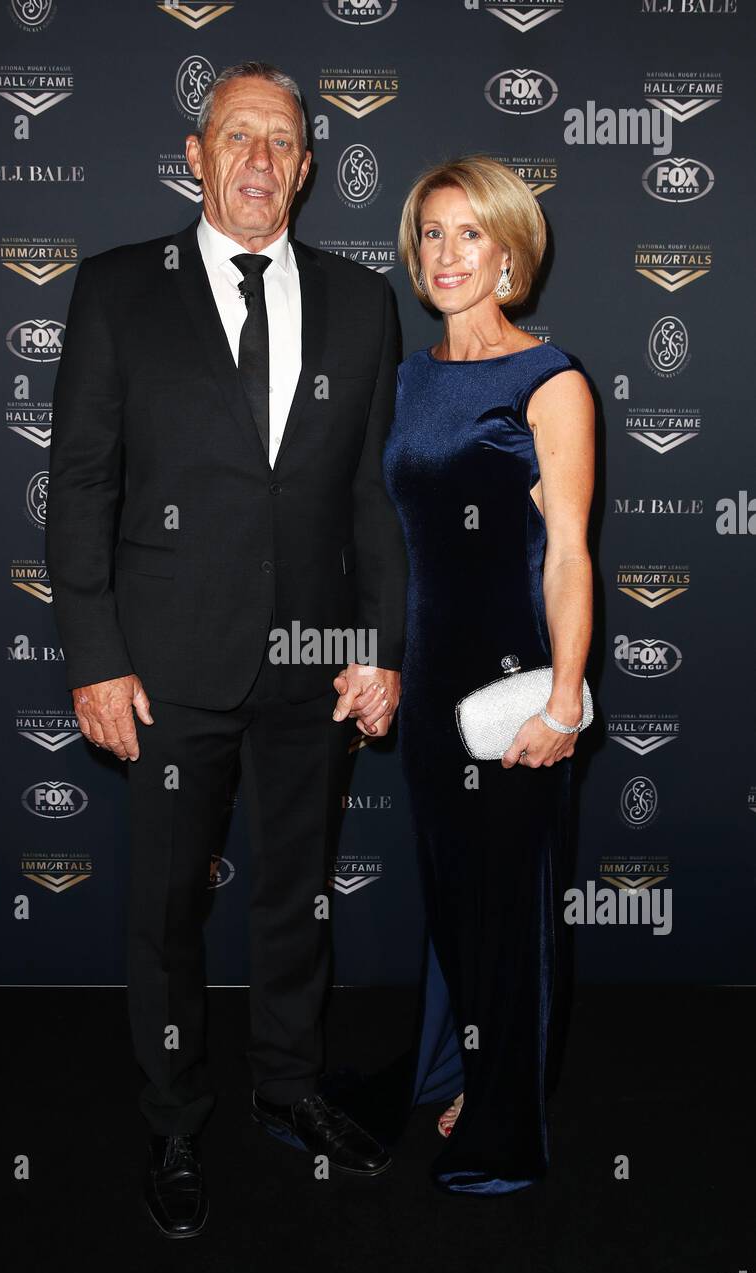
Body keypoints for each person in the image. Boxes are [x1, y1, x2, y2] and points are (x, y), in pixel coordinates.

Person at [44, 60, 409, 1237]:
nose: (257, 158)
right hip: (162, 671)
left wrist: (379, 644)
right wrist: (96, 655)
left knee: (297, 899)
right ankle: (171, 1117)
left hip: (313, 662)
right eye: (234, 135)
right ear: (195, 157)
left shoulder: (361, 303)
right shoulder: (116, 291)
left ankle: (289, 1087)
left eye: (281, 141)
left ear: (307, 167)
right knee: (163, 909)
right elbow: (81, 488)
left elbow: (372, 502)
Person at [324, 156, 595, 1195]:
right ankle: (454, 1067)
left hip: (511, 683)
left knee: (508, 905)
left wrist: (563, 698)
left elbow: (567, 551)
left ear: (509, 252)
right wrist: (376, 655)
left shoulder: (548, 379)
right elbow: (377, 539)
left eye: (467, 234)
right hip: (428, 680)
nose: (444, 254)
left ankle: (500, 1117)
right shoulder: (407, 377)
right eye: (429, 233)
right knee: (451, 897)